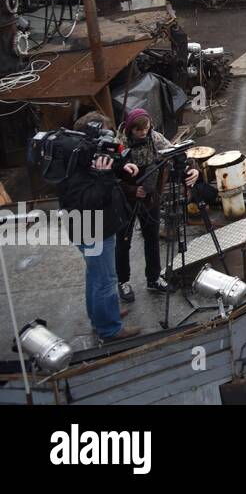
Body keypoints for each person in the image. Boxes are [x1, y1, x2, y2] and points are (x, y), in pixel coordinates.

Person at [58, 113, 139, 342]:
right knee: (105, 279)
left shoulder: (82, 154)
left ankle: (102, 315)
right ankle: (110, 329)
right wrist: (104, 177)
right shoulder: (76, 165)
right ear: (92, 132)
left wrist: (121, 166)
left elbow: (106, 164)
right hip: (92, 228)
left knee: (95, 275)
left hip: (88, 226)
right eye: (104, 132)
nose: (109, 138)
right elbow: (88, 201)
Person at [114, 108, 209, 303]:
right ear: (130, 129)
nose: (142, 132)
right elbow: (113, 177)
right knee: (123, 241)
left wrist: (193, 169)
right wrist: (132, 190)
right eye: (138, 129)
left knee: (152, 238)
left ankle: (154, 278)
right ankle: (123, 281)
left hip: (151, 199)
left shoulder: (155, 138)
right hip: (126, 201)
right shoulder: (120, 145)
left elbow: (177, 154)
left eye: (146, 128)